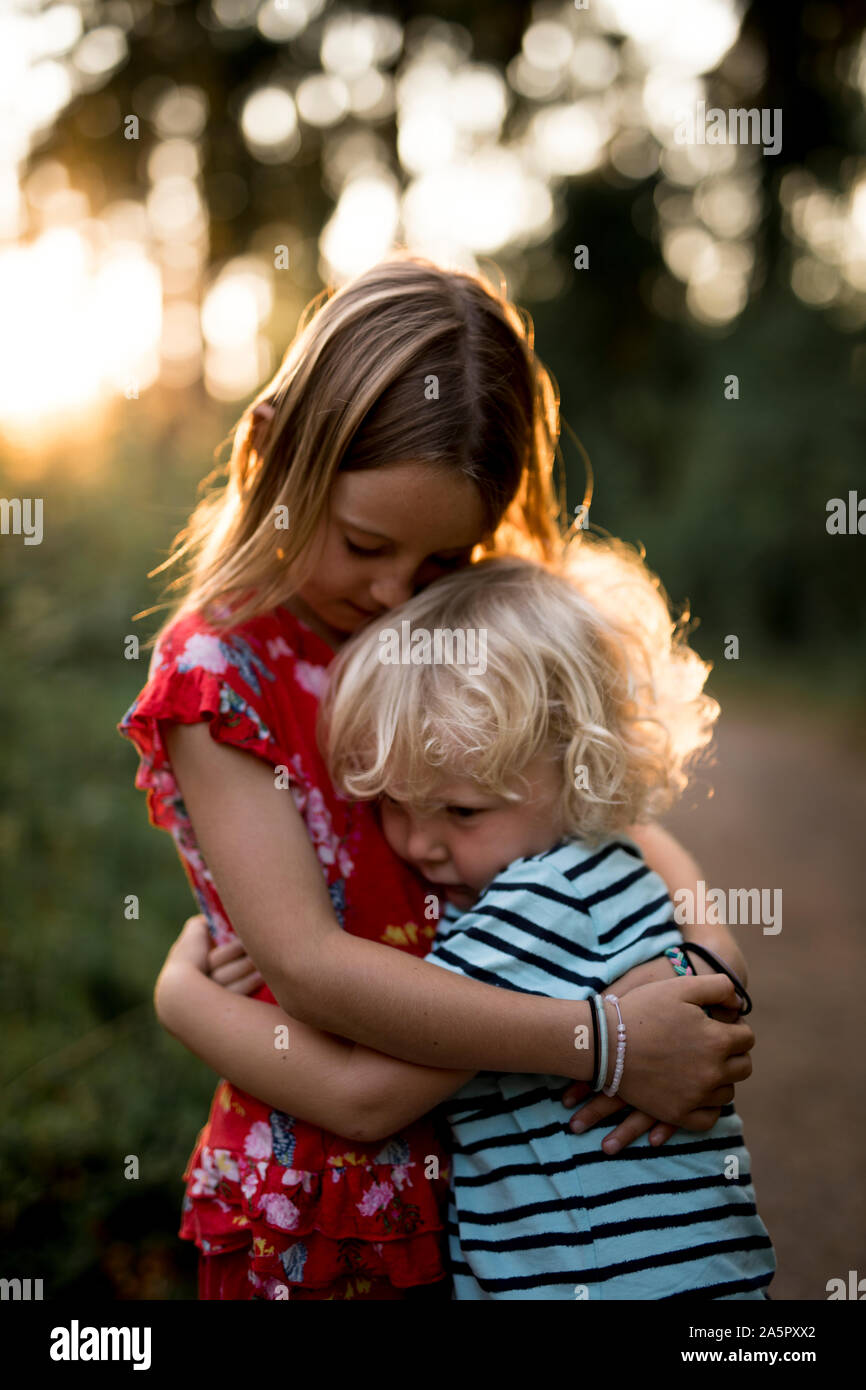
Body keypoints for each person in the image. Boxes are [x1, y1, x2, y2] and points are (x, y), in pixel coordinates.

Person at [121, 253, 754, 1300]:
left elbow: (621, 833)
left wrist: (703, 968)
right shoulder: (219, 676)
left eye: (436, 565)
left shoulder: (456, 634)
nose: (391, 595)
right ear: (273, 453)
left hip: (488, 1183)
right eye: (365, 542)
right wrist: (601, 1037)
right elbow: (315, 974)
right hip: (329, 1201)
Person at [156, 544, 772, 1300]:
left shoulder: (536, 909)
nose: (420, 844)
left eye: (463, 811)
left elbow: (361, 1094)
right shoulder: (599, 865)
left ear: (580, 765)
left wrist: (181, 999)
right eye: (393, 803)